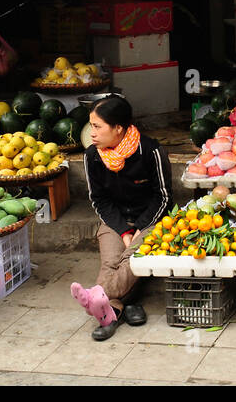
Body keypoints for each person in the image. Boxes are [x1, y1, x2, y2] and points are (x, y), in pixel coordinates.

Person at [70, 95, 170, 341]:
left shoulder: (151, 151)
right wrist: (124, 231)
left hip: (151, 220)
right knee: (111, 261)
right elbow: (99, 201)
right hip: (115, 220)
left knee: (132, 258)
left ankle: (102, 300)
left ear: (118, 128)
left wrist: (138, 229)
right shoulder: (92, 155)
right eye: (91, 125)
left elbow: (164, 197)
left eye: (97, 126)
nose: (91, 133)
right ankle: (119, 307)